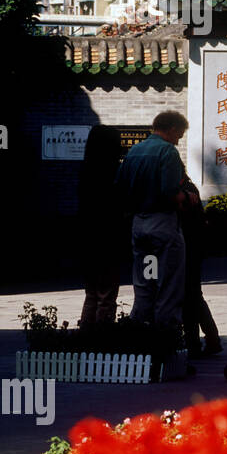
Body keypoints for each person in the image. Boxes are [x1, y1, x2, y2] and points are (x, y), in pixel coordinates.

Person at [115, 110, 189, 334]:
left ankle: (139, 331)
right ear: (172, 129)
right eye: (180, 135)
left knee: (145, 280)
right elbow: (170, 191)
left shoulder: (135, 150)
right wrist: (187, 197)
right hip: (163, 224)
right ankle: (165, 335)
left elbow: (120, 187)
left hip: (139, 224)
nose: (179, 140)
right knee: (168, 284)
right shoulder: (167, 151)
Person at [77, 125, 127, 329]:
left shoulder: (86, 170)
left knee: (91, 292)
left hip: (87, 236)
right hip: (109, 236)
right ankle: (101, 336)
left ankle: (86, 334)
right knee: (107, 293)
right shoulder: (114, 172)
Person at [179, 176, 222, 358]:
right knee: (193, 296)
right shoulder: (188, 189)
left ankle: (196, 342)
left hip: (188, 248)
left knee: (190, 297)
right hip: (192, 248)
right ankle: (209, 339)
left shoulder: (186, 192)